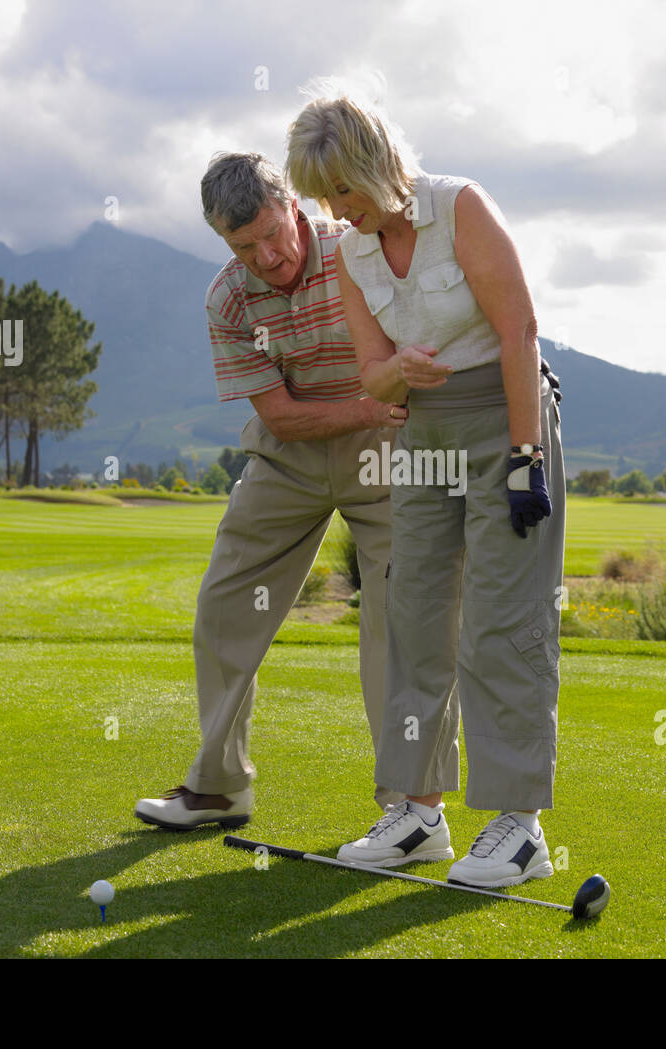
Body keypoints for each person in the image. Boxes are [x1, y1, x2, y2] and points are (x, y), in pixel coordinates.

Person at [285, 92, 566, 888]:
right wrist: (395, 372)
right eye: (324, 198)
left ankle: (518, 826)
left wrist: (523, 457)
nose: (337, 210)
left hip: (503, 414)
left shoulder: (460, 207)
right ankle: (418, 813)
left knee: (502, 619)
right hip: (422, 434)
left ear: (374, 163)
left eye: (343, 190)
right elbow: (370, 369)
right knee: (410, 611)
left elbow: (519, 333)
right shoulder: (350, 252)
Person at [134, 152, 460, 830]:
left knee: (401, 621)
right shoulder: (228, 298)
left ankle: (410, 805)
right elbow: (279, 415)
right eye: (243, 245)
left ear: (295, 210)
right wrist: (371, 408)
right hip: (292, 452)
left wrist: (392, 415)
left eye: (272, 234)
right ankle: (220, 788)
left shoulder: (359, 250)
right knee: (225, 603)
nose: (266, 255)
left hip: (389, 449)